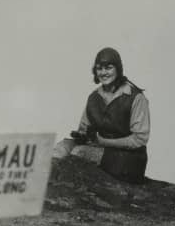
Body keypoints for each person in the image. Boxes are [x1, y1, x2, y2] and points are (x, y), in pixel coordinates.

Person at [56, 47, 150, 183]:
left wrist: (103, 142)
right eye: (99, 68)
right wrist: (82, 136)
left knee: (79, 153)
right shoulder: (94, 97)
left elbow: (139, 139)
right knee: (61, 148)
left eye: (109, 68)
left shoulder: (135, 97)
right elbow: (84, 127)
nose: (104, 73)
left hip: (129, 159)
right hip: (100, 148)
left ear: (118, 69)